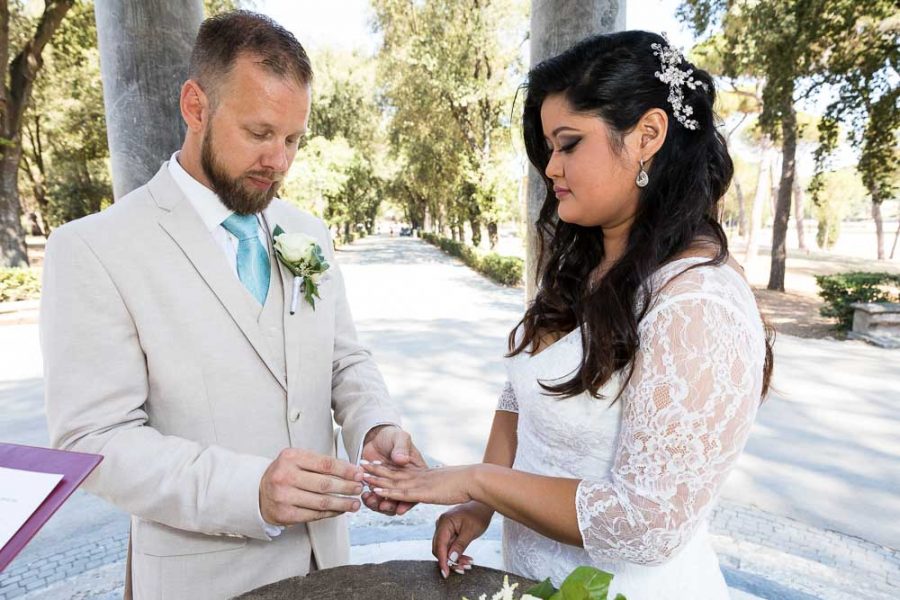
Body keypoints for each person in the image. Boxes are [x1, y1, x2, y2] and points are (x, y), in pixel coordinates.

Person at [361, 31, 773, 599]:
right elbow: (521, 394)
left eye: (569, 143)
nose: (551, 168)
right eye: (549, 147)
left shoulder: (697, 303)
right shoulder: (584, 264)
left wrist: (477, 479)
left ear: (648, 135)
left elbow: (644, 524)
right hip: (529, 580)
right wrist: (480, 506)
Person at [41, 11, 420, 599]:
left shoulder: (308, 233)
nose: (280, 161)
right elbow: (94, 440)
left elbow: (345, 359)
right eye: (260, 133)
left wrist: (375, 425)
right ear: (196, 107)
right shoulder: (93, 248)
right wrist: (251, 490)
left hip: (330, 568)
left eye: (293, 138)